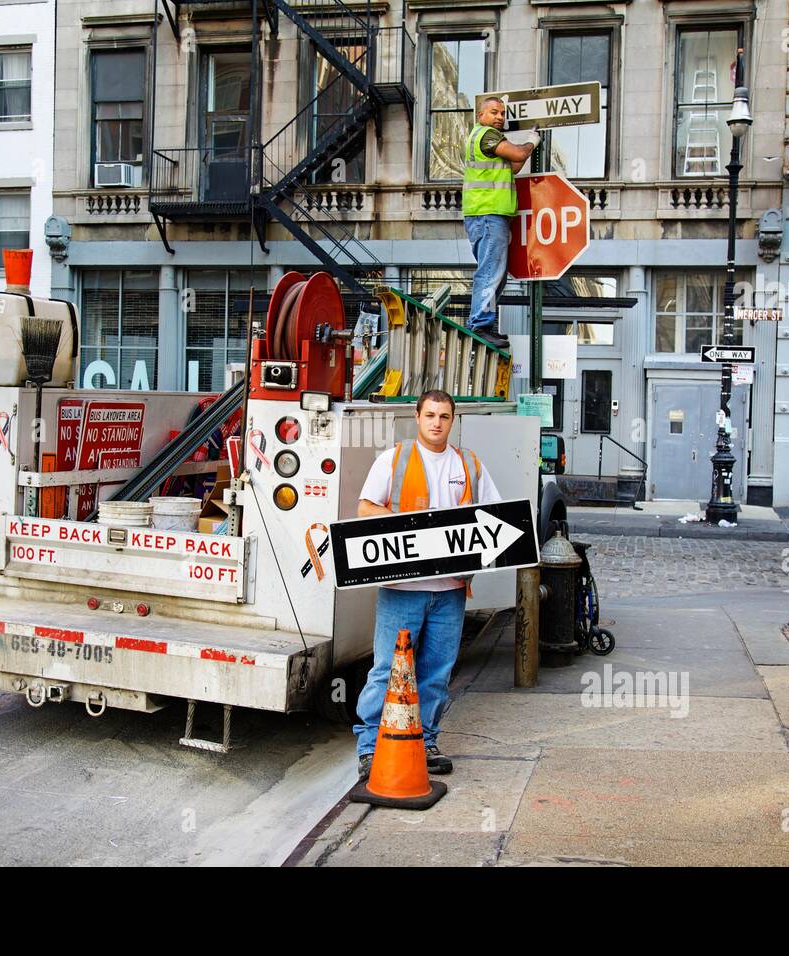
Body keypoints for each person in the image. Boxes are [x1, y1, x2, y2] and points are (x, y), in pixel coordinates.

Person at [352, 389, 502, 780]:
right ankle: (370, 747)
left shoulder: (468, 464)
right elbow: (366, 508)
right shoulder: (395, 459)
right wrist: (407, 529)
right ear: (417, 417)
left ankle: (426, 741)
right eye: (430, 414)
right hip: (403, 589)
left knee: (437, 671)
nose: (437, 422)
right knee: (387, 670)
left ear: (453, 421)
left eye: (445, 416)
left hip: (450, 590)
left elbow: (494, 517)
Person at [463, 97, 540, 349]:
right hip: (488, 213)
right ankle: (479, 324)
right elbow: (519, 153)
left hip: (488, 214)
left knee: (497, 274)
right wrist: (531, 141)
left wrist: (527, 148)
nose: (499, 117)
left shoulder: (492, 143)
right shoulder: (486, 135)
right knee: (490, 271)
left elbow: (515, 165)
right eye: (493, 112)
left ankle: (483, 324)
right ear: (480, 115)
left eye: (502, 113)